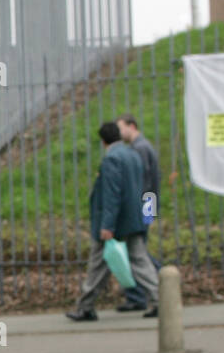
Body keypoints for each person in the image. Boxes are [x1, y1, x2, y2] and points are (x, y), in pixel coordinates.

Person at [66, 121, 160, 321]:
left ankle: (86, 306)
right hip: (134, 218)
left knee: (97, 265)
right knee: (140, 261)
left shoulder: (112, 159)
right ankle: (161, 299)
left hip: (115, 222)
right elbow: (147, 185)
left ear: (103, 141)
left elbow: (112, 194)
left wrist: (107, 225)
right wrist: (147, 215)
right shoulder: (133, 154)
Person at [116, 113, 162, 313]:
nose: (119, 133)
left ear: (132, 126)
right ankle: (140, 294)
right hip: (147, 203)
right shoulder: (142, 147)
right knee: (137, 250)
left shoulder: (139, 149)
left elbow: (142, 182)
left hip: (142, 204)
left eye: (121, 128)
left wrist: (142, 213)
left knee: (137, 251)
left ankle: (159, 285)